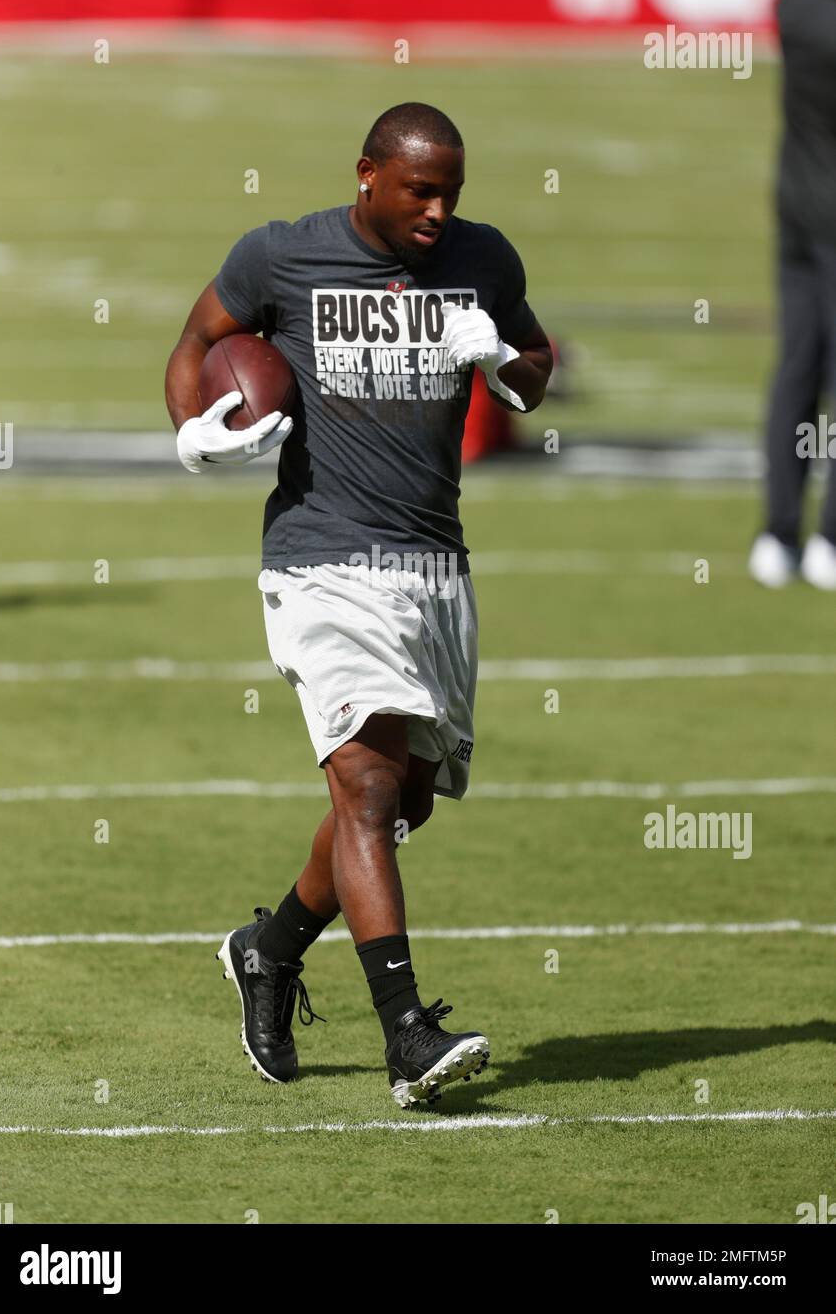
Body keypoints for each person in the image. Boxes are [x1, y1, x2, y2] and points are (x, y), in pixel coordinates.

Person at [164, 102, 552, 1108]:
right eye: (418, 190)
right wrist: (190, 429)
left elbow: (535, 373)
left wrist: (497, 357)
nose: (435, 210)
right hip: (320, 556)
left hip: (433, 564)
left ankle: (269, 947)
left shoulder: (482, 260)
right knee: (369, 792)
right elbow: (198, 338)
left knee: (399, 802)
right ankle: (407, 1036)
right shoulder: (280, 255)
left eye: (449, 193)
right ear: (366, 175)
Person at [750, 0, 836, 590]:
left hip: (796, 220)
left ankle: (778, 533)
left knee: (797, 370)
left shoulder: (797, 7)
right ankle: (829, 537)